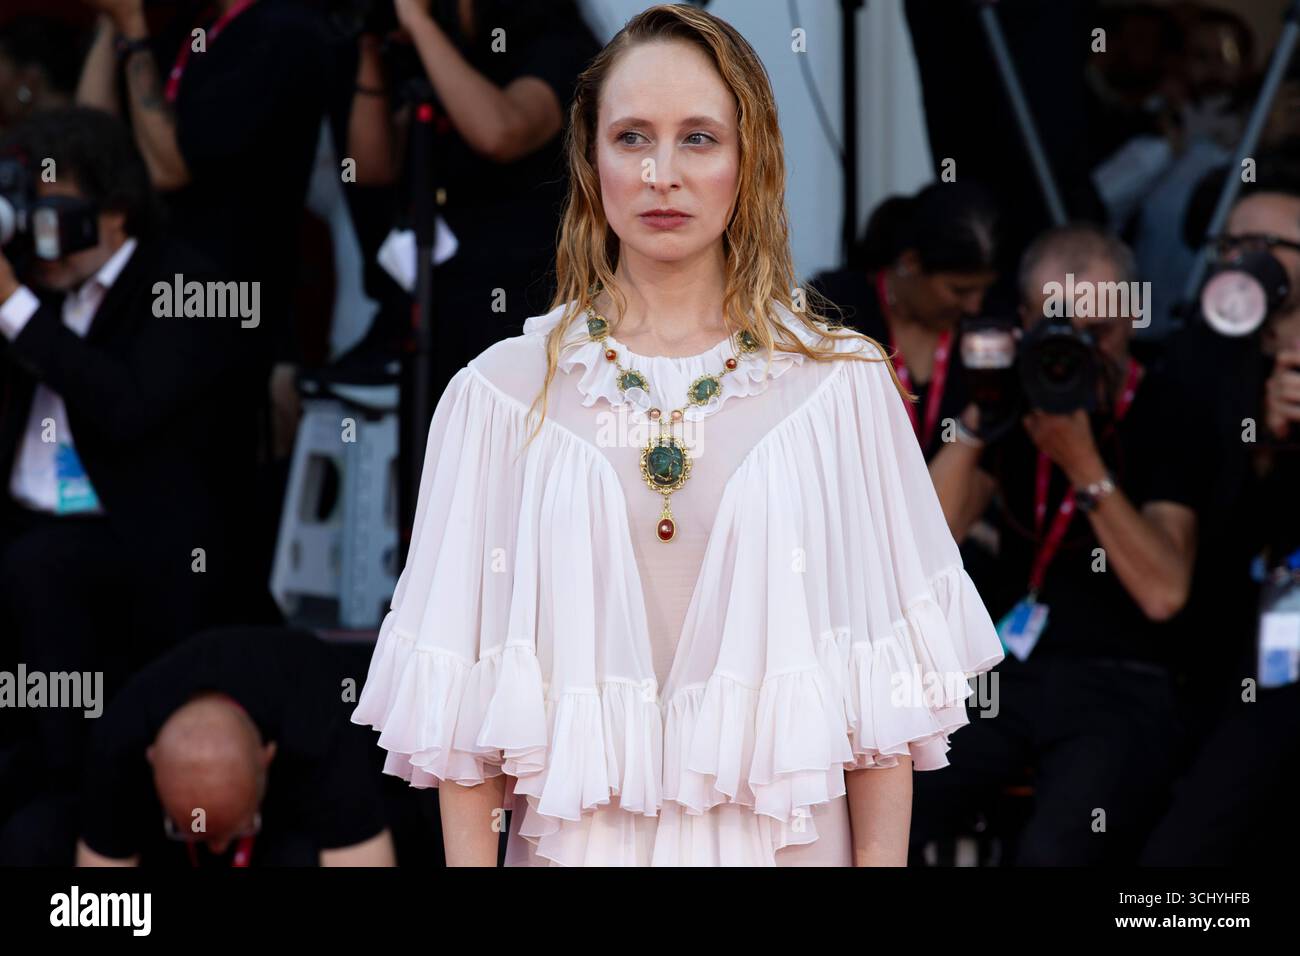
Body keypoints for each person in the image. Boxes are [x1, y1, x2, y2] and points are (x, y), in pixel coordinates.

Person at [350, 4, 1004, 868]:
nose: (662, 173)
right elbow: (463, 728)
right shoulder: (497, 397)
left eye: (698, 138)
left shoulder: (840, 388)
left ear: (751, 162)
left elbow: (879, 716)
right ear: (591, 165)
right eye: (632, 138)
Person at [0, 108, 256, 864]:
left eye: (60, 217)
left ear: (114, 211)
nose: (42, 239)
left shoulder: (188, 285)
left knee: (39, 569)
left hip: (141, 552)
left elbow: (130, 406)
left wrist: (11, 305)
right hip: (29, 527)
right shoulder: (38, 287)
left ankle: (78, 807)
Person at [919, 223, 1212, 865]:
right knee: (889, 807)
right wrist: (977, 421)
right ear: (1024, 320)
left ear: (1132, 318)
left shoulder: (1169, 406)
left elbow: (1164, 592)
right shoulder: (1013, 403)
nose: (1081, 349)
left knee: (1054, 852)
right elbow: (924, 544)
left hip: (1122, 684)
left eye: (1099, 331)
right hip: (1005, 674)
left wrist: (1084, 466)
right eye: (1060, 327)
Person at [1138, 158, 1300, 864]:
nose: (1245, 264)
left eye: (1268, 250)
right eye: (1231, 247)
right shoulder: (1204, 356)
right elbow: (1203, 539)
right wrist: (1263, 446)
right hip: (1248, 651)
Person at [344, 0, 601, 403]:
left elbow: (500, 132)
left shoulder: (559, 43)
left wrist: (419, 24)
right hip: (440, 303)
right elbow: (369, 168)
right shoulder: (443, 53)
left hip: (526, 302)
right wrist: (370, 49)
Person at [76, 627, 395, 867]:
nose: (217, 849)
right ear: (150, 759)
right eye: (188, 829)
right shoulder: (119, 741)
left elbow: (359, 856)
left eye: (239, 826)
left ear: (267, 757)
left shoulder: (322, 723)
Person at [808, 182, 1000, 462]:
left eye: (985, 290)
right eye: (959, 290)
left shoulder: (992, 327)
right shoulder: (831, 312)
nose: (975, 306)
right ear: (910, 263)